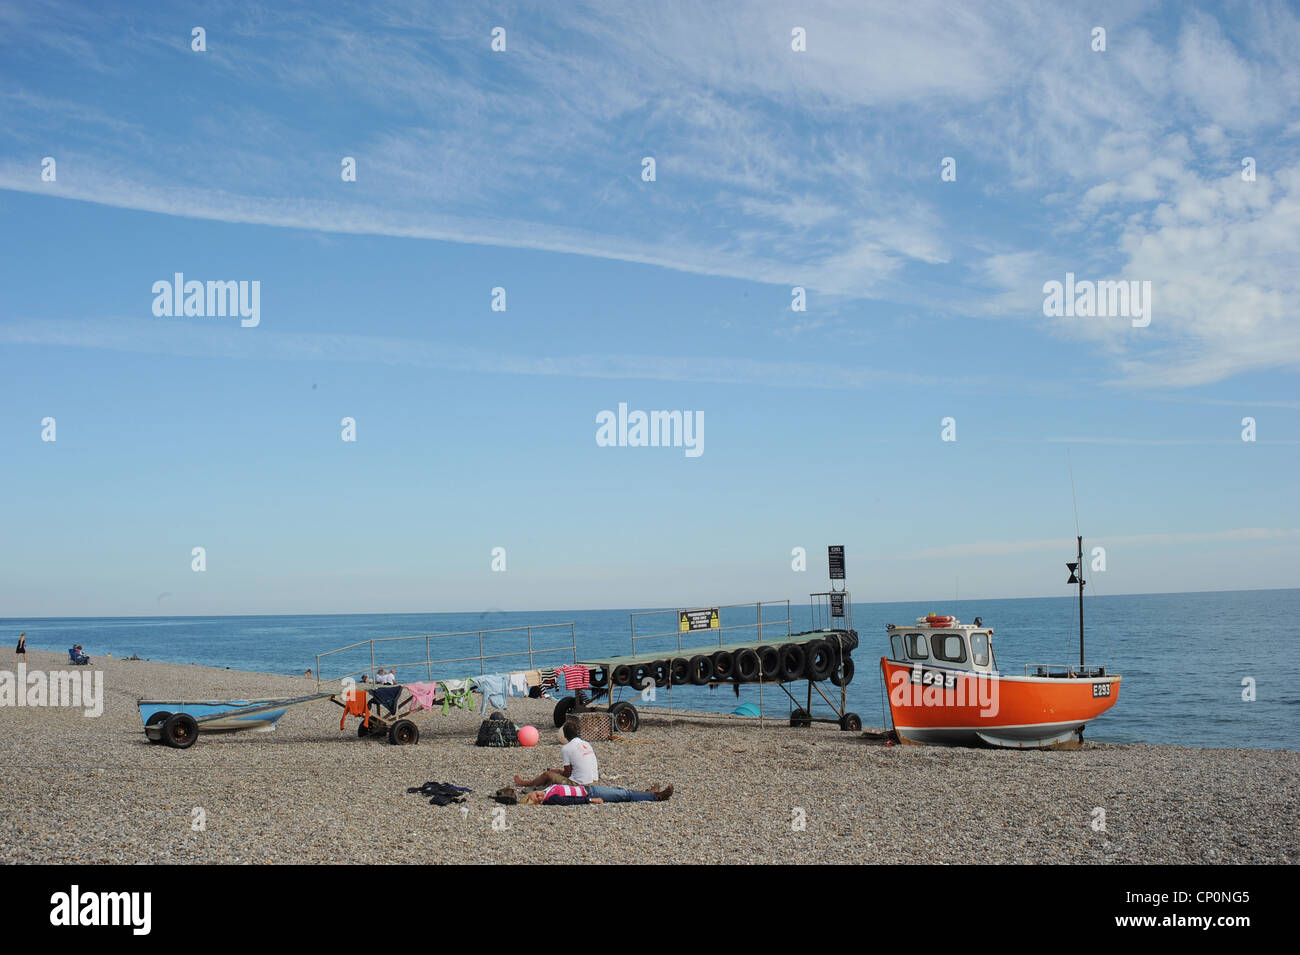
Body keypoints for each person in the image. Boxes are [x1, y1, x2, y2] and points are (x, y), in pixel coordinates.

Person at [514, 719, 598, 788]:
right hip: (594, 783)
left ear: (564, 735)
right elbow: (576, 767)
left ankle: (525, 784)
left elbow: (567, 774)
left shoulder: (566, 748)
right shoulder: (587, 744)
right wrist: (558, 771)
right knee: (556, 772)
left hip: (580, 785)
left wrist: (556, 773)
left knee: (547, 774)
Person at [524, 783, 672, 805]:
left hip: (588, 788)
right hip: (590, 793)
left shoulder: (548, 789)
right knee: (624, 795)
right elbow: (570, 801)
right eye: (537, 799)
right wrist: (591, 801)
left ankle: (647, 794)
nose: (539, 795)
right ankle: (656, 797)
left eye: (535, 794)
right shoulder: (551, 799)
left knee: (620, 791)